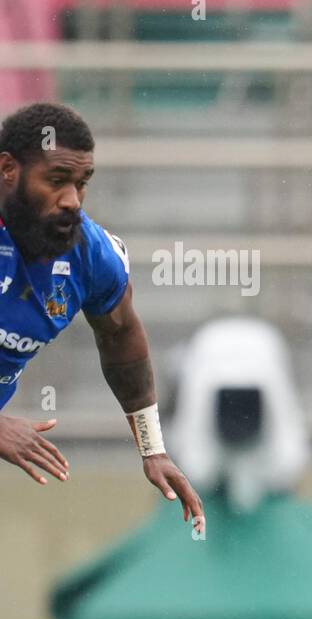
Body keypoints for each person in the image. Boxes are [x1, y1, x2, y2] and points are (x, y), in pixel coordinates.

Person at [0, 102, 202, 529]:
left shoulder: (90, 255)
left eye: (82, 182)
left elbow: (120, 336)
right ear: (8, 170)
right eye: (56, 180)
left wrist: (152, 448)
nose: (72, 200)